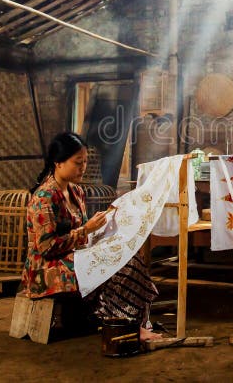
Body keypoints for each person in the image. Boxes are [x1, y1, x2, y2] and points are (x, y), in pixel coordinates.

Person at [19, 131, 162, 341]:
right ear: (58, 163)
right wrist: (86, 230)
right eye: (78, 162)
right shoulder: (44, 197)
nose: (83, 167)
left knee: (129, 259)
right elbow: (47, 248)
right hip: (47, 267)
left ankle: (135, 323)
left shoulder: (77, 192)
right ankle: (122, 326)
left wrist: (104, 226)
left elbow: (82, 236)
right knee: (109, 267)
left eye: (85, 161)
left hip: (74, 256)